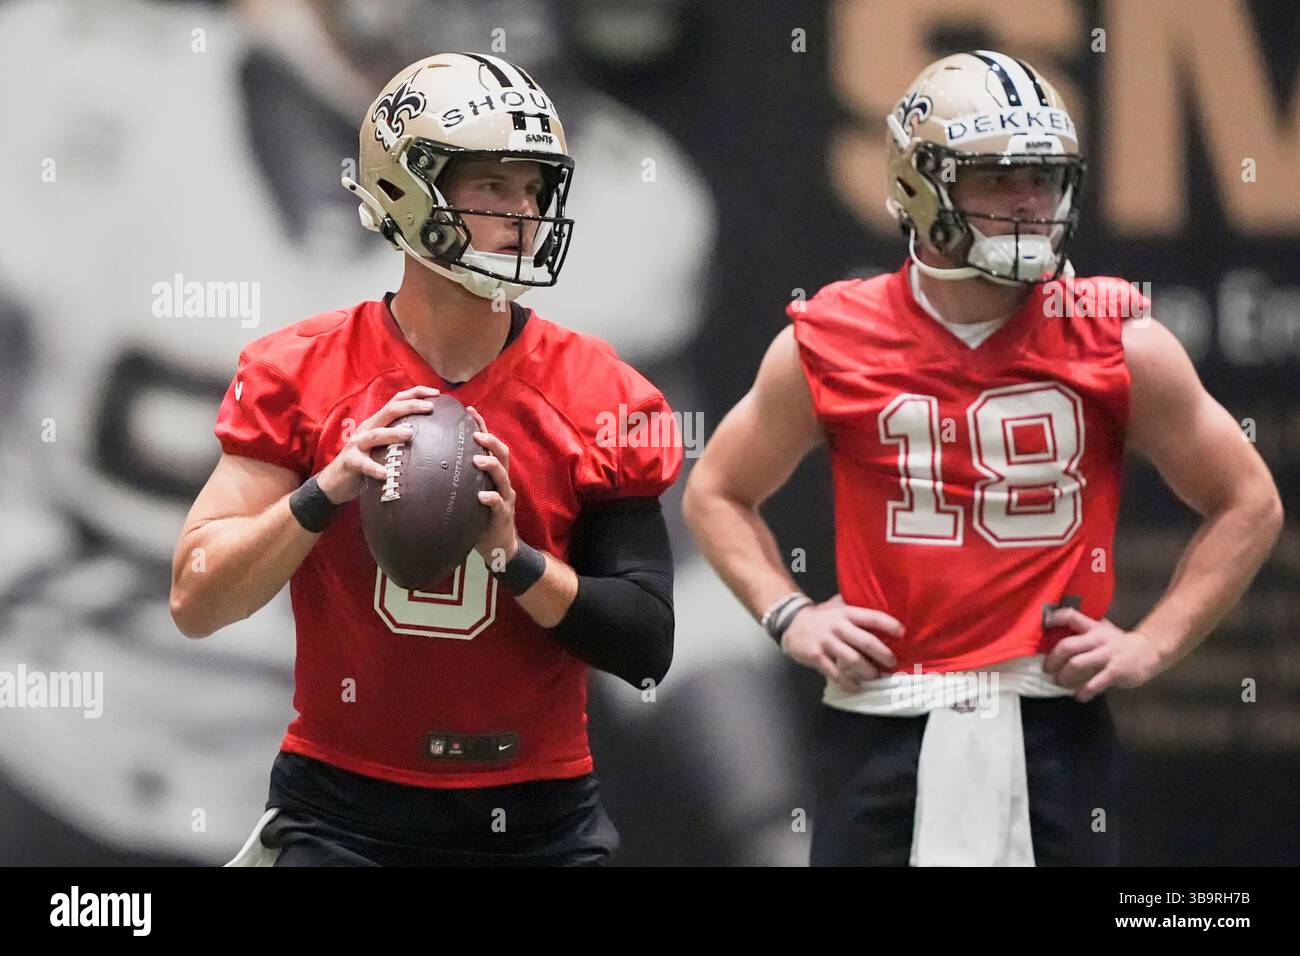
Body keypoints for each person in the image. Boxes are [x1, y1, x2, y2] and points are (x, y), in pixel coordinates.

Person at [682, 50, 1283, 866]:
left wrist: (1153, 643)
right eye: (999, 179)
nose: (1031, 203)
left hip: (1049, 719)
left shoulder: (1117, 336)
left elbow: (1248, 499)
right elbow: (715, 491)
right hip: (884, 715)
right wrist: (790, 614)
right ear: (918, 187)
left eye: (1044, 178)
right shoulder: (830, 338)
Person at [170, 52, 682, 866]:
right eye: (493, 188)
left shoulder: (599, 392)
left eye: (535, 190)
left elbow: (646, 643)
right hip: (342, 813)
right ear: (411, 191)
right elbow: (197, 600)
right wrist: (324, 491)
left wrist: (515, 560)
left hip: (536, 819)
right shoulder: (299, 373)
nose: (523, 213)